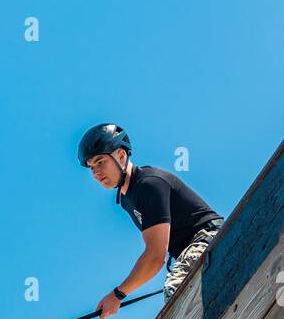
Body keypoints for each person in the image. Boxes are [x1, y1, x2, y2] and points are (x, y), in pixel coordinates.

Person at [78, 122, 224, 309]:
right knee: (177, 291)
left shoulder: (148, 184)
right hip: (186, 251)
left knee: (176, 287)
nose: (96, 173)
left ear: (121, 156)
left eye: (100, 162)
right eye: (91, 168)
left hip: (210, 238)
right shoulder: (126, 198)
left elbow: (155, 255)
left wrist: (117, 295)